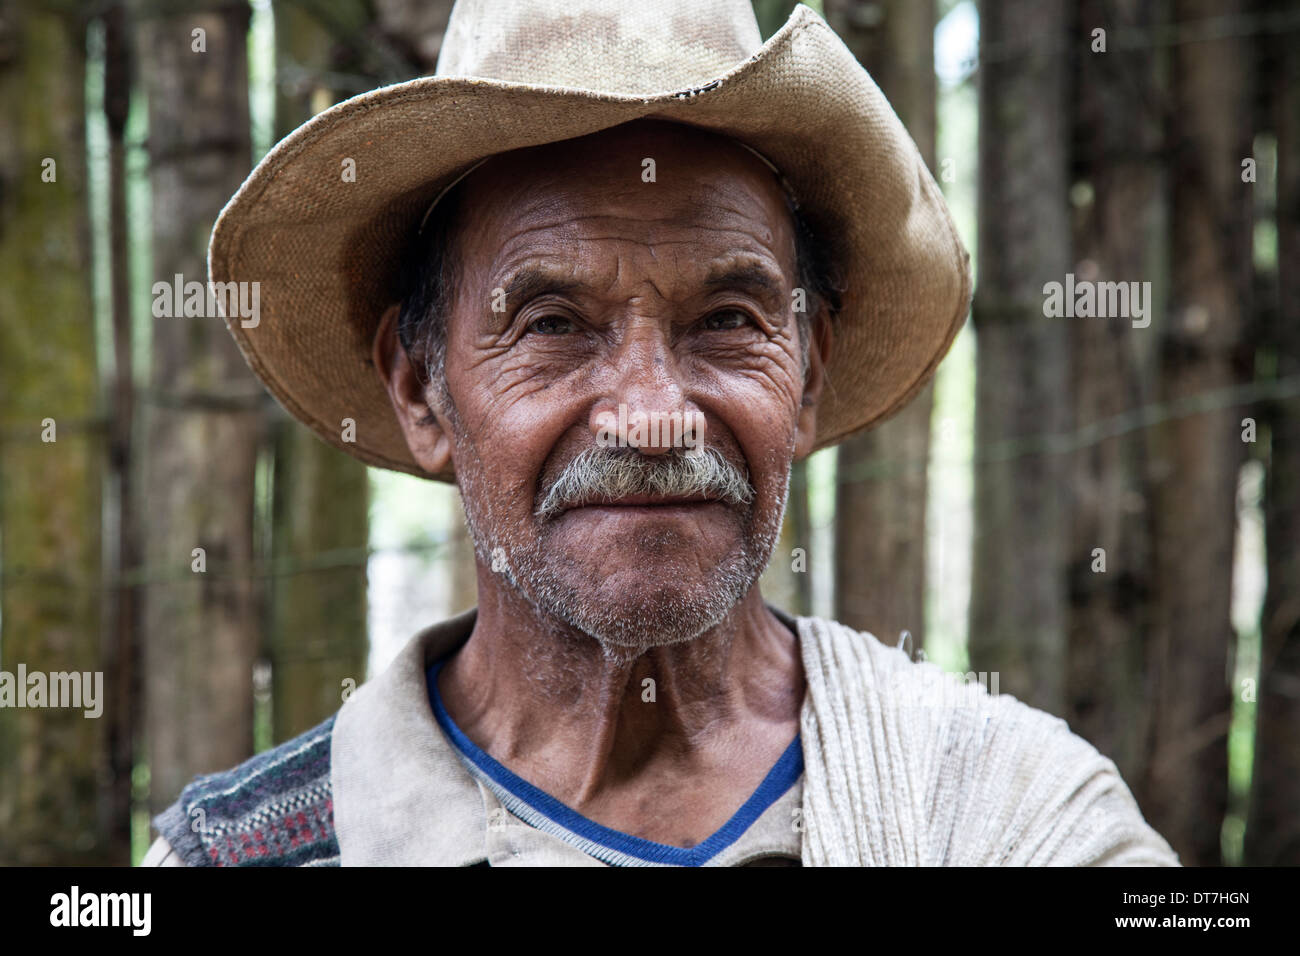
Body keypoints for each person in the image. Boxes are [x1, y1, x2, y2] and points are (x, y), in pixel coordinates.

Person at [143, 0, 1177, 867]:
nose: (652, 415)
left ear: (806, 372)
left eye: (728, 320)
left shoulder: (1010, 814)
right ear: (421, 390)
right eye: (551, 325)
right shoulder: (239, 853)